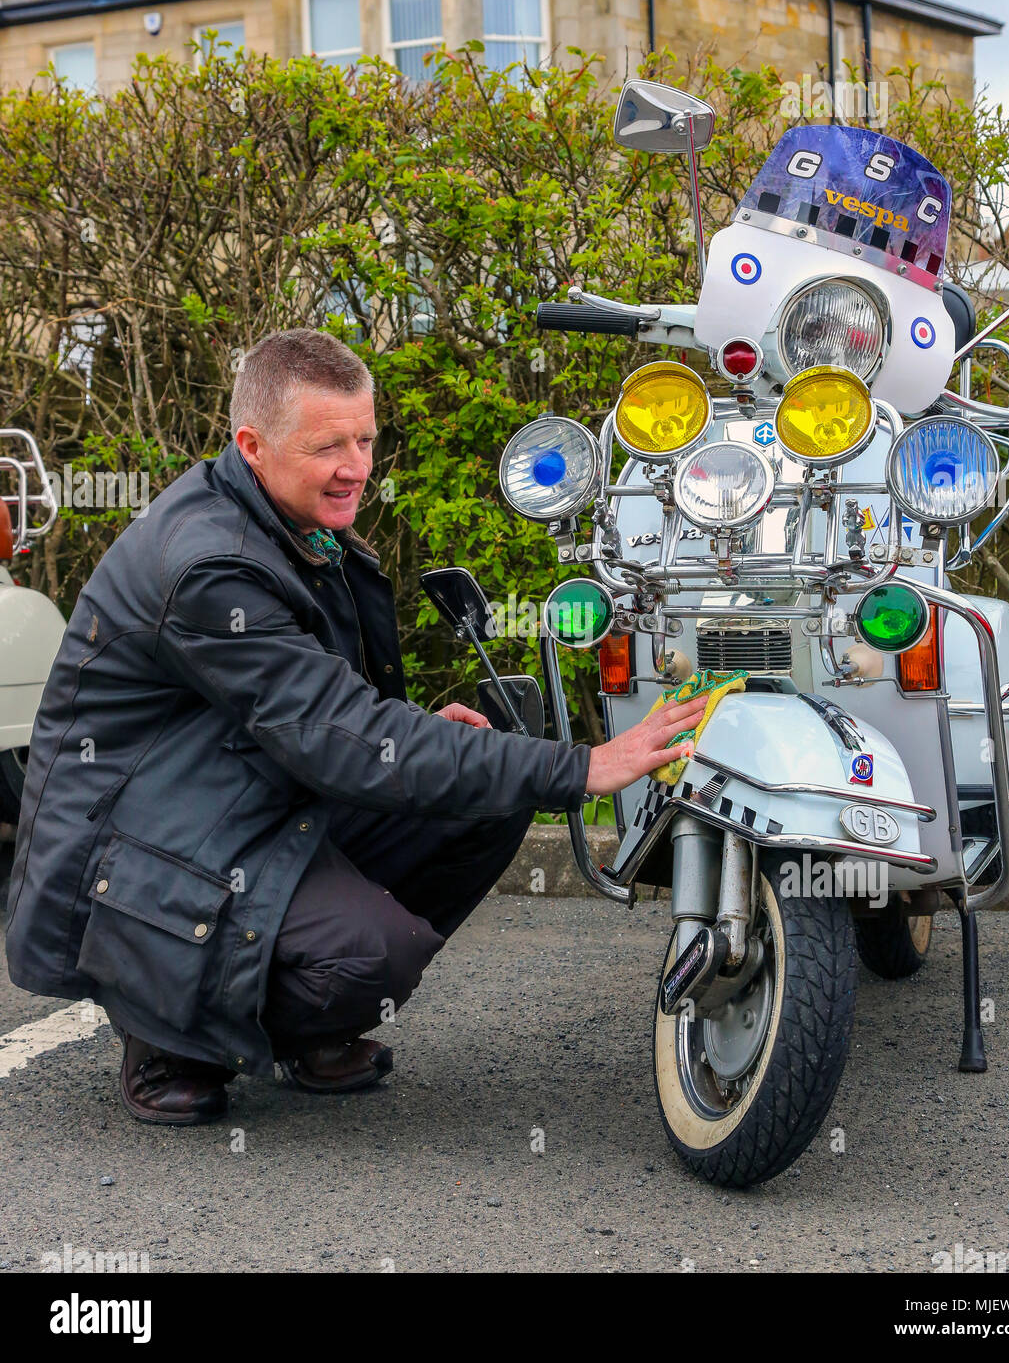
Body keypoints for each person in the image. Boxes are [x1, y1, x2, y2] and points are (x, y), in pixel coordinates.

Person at [3, 328, 705, 1126]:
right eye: (328, 445)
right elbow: (340, 735)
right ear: (252, 445)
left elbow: (333, 718)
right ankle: (168, 1029)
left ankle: (309, 1024)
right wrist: (579, 768)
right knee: (367, 955)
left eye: (365, 439)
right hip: (142, 847)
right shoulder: (209, 566)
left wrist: (414, 736)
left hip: (240, 793)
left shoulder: (298, 525)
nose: (357, 467)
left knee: (483, 799)